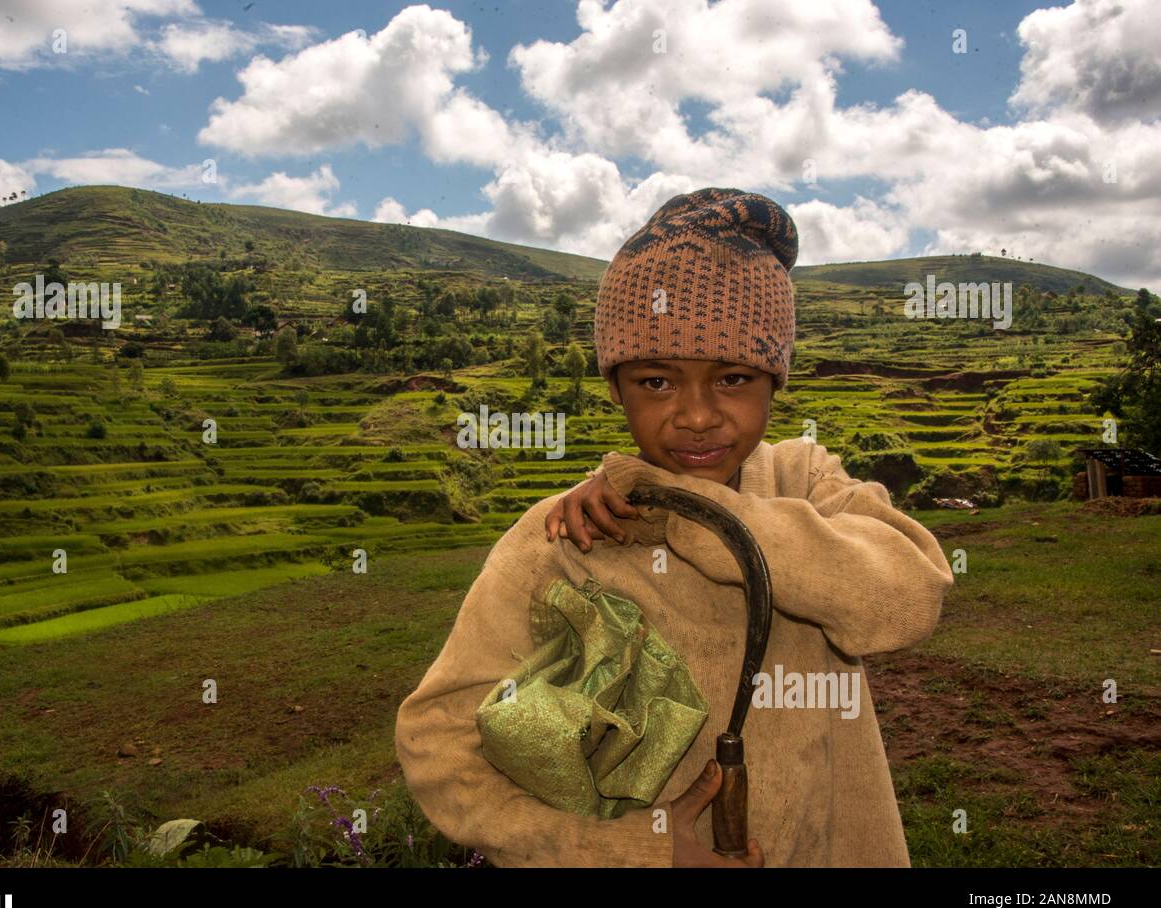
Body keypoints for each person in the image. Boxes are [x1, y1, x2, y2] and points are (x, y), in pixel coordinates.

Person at [394, 187, 955, 866]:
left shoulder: (804, 481)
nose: (696, 415)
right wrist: (634, 850)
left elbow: (906, 597)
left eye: (734, 377)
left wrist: (687, 509)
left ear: (775, 381)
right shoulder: (566, 540)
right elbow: (436, 743)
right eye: (657, 382)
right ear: (615, 385)